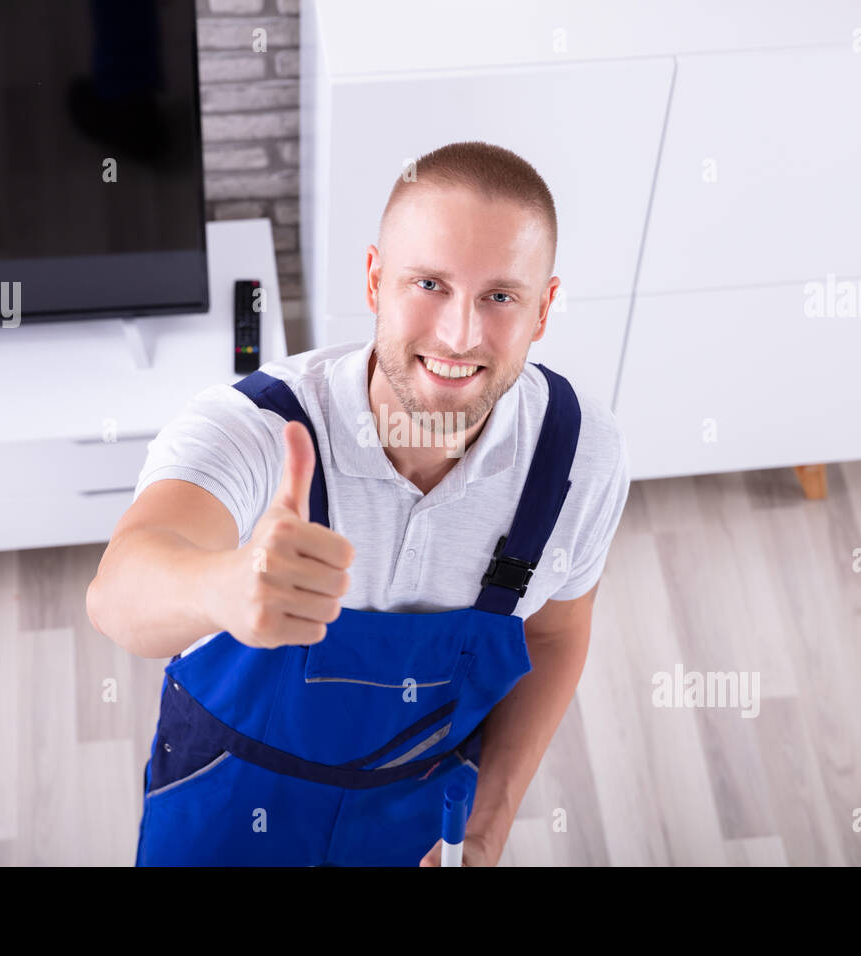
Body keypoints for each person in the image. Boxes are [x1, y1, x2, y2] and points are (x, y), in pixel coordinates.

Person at [87, 140, 631, 866]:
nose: (459, 335)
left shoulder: (577, 457)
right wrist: (225, 584)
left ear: (544, 309)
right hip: (222, 816)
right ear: (375, 281)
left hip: (412, 829)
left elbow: (557, 633)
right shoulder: (258, 430)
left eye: (500, 296)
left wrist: (489, 824)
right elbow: (117, 592)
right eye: (429, 284)